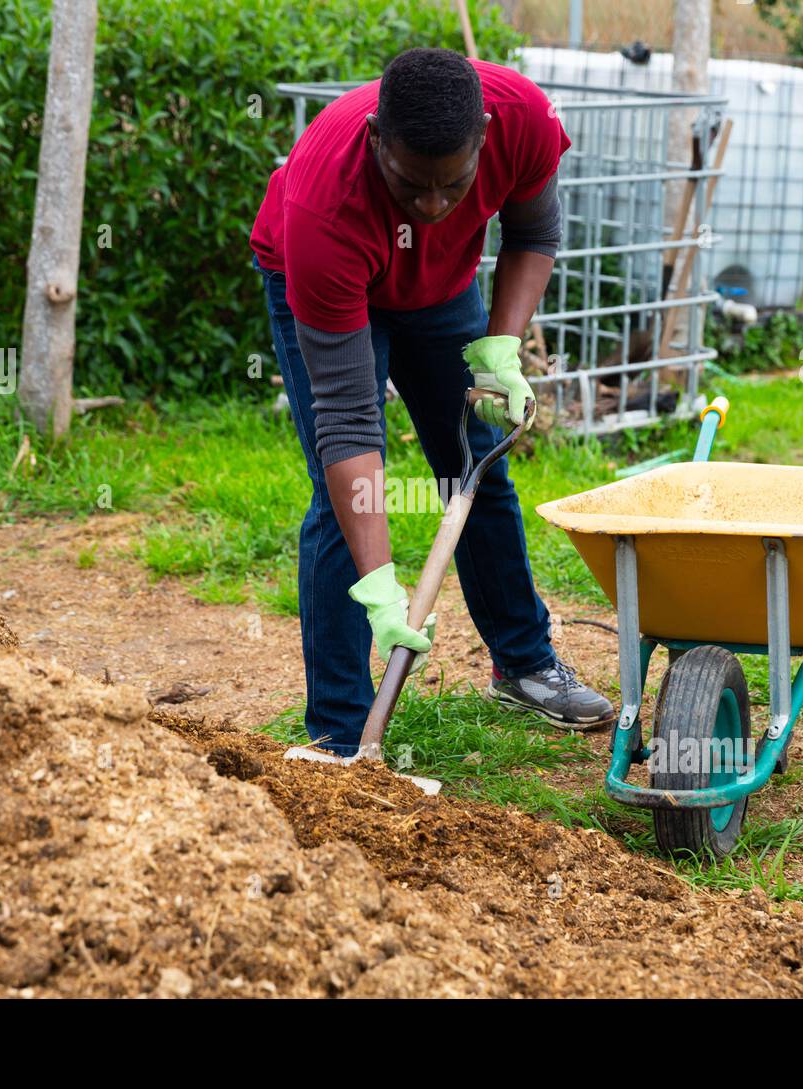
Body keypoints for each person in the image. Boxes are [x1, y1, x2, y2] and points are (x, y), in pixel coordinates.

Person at [251, 47, 614, 757]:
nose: (433, 205)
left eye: (452, 185)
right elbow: (350, 421)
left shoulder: (525, 121)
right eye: (410, 183)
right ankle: (341, 729)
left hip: (440, 287)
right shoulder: (323, 207)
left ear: (483, 134)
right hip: (326, 276)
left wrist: (501, 347)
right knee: (341, 501)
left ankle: (525, 662)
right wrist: (382, 585)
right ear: (375, 141)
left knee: (476, 464)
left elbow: (535, 231)